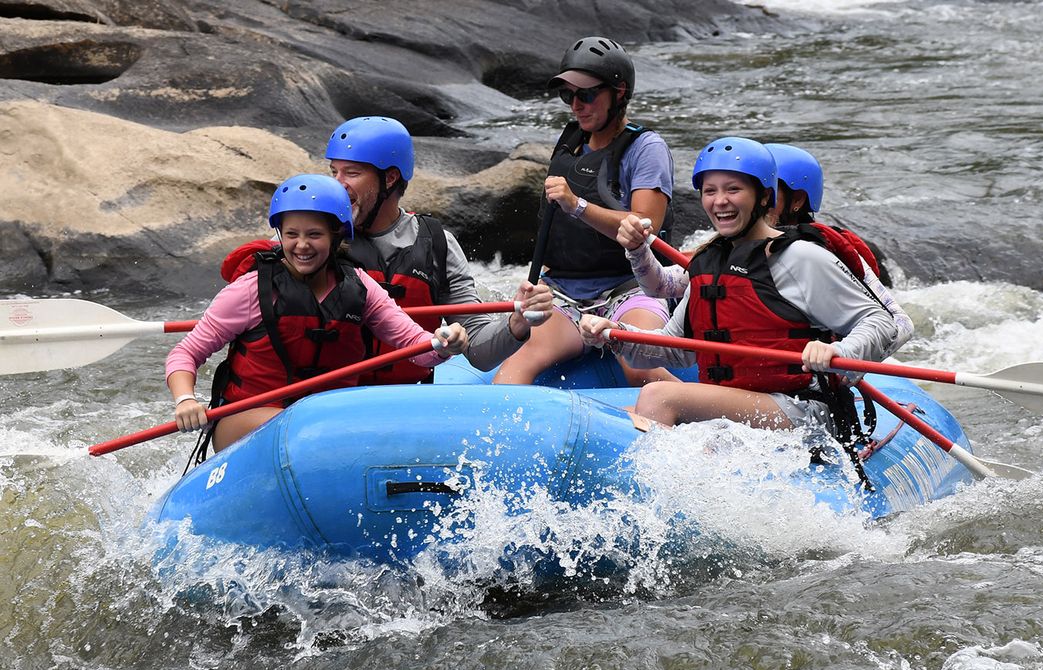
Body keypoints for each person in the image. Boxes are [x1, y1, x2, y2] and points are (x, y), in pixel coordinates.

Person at [579, 137, 898, 465]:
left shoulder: (800, 256)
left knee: (657, 397)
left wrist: (840, 351)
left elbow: (884, 323)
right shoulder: (710, 262)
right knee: (623, 414)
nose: (720, 201)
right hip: (740, 405)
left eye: (733, 189)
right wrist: (615, 334)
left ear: (764, 197)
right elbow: (674, 348)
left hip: (802, 412)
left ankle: (658, 489)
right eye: (710, 191)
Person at [167, 174, 469, 452]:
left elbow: (417, 347)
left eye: (314, 234)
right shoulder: (250, 290)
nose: (301, 245)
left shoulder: (360, 287)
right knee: (304, 428)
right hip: (248, 421)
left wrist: (445, 343)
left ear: (336, 235)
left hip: (329, 426)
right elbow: (185, 354)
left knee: (322, 429)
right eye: (291, 234)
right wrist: (185, 400)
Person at [492, 36, 676, 386]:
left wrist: (577, 205)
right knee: (515, 368)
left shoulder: (646, 148)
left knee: (640, 367)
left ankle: (707, 416)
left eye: (587, 95)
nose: (576, 105)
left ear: (619, 93)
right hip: (563, 291)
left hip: (631, 289)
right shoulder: (571, 143)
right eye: (568, 95)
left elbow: (645, 225)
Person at [616, 142, 913, 358]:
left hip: (815, 376)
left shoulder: (819, 252)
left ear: (794, 200)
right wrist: (638, 249)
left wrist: (841, 354)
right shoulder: (726, 250)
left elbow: (898, 325)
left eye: (741, 188)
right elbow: (662, 286)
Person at [324, 116, 553, 383]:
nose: (337, 184)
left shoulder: (437, 244)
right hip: (330, 397)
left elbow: (480, 352)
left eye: (351, 173)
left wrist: (517, 323)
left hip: (409, 395)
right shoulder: (314, 241)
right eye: (334, 172)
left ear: (390, 178)